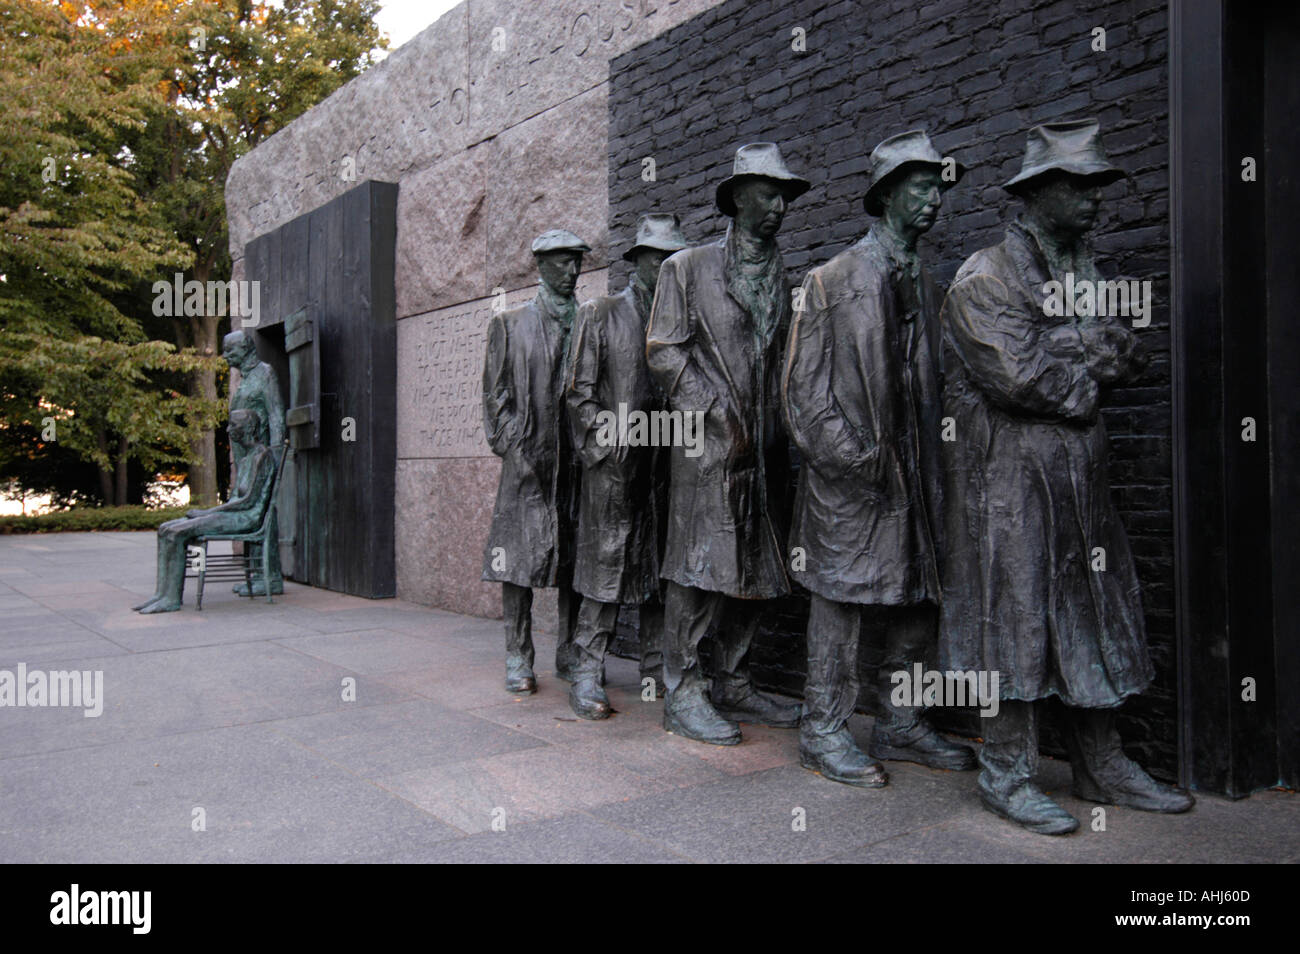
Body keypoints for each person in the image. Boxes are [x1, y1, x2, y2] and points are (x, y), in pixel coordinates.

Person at [939, 119, 1194, 834]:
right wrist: (1086, 352)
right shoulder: (984, 275)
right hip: (1010, 488)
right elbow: (1023, 378)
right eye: (1080, 187)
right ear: (1039, 193)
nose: (1095, 200)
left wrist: (1069, 345)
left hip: (1082, 480)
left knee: (1094, 616)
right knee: (1013, 625)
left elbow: (1133, 356)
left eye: (1098, 187)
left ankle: (1101, 762)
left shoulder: (1089, 271)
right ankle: (1007, 772)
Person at [783, 131, 975, 787]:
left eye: (937, 190)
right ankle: (823, 729)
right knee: (839, 603)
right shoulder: (830, 281)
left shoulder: (929, 282)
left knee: (919, 600)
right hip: (853, 484)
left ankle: (903, 722)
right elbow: (804, 395)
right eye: (922, 188)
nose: (933, 202)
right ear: (889, 195)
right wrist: (857, 462)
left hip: (919, 477)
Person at [646, 143, 808, 745]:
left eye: (783, 197)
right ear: (738, 199)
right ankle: (683, 691)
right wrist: (713, 413)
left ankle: (734, 681)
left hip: (766, 450)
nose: (777, 207)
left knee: (758, 569)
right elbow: (664, 350)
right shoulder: (685, 268)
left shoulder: (782, 270)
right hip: (708, 450)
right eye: (767, 195)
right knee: (698, 568)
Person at [564, 213, 689, 718]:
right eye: (658, 258)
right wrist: (609, 447)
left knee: (661, 567)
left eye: (673, 259)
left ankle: (657, 670)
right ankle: (586, 669)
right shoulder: (601, 313)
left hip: (667, 468)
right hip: (614, 470)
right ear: (638, 261)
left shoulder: (683, 321)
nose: (665, 267)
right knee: (606, 569)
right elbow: (578, 394)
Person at [482, 229, 590, 694]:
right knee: (518, 564)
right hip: (529, 464)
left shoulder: (590, 320)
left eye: (577, 262)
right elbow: (494, 395)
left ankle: (570, 651)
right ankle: (517, 654)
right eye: (564, 262)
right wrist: (513, 444)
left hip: (579, 464)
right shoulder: (509, 324)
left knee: (576, 561)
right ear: (542, 265)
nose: (572, 270)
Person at [134, 409, 276, 614]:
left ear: (249, 428)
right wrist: (210, 513)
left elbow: (247, 501)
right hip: (233, 514)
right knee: (165, 528)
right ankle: (161, 594)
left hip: (246, 518)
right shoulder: (245, 459)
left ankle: (171, 599)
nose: (229, 430)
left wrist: (206, 513)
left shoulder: (262, 456)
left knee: (176, 532)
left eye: (233, 425)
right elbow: (236, 499)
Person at [222, 330, 286, 596]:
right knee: (252, 513)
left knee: (264, 515)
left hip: (262, 457)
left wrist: (274, 455)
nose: (225, 356)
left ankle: (269, 578)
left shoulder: (265, 373)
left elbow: (275, 415)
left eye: (230, 351)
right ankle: (255, 575)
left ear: (246, 349)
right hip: (245, 456)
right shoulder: (245, 379)